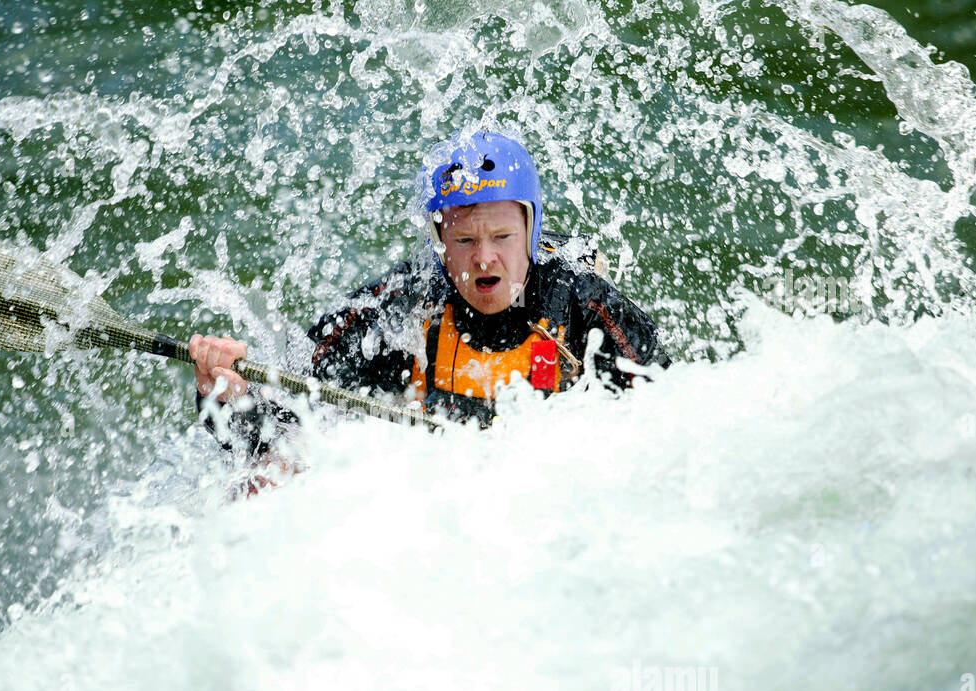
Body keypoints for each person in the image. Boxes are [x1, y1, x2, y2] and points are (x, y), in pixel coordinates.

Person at [189, 128, 669, 457]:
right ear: (439, 245)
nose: (484, 258)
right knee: (268, 475)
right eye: (464, 241)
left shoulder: (581, 304)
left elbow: (676, 419)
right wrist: (225, 397)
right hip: (437, 498)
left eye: (501, 237)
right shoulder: (401, 307)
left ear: (531, 231)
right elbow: (274, 428)